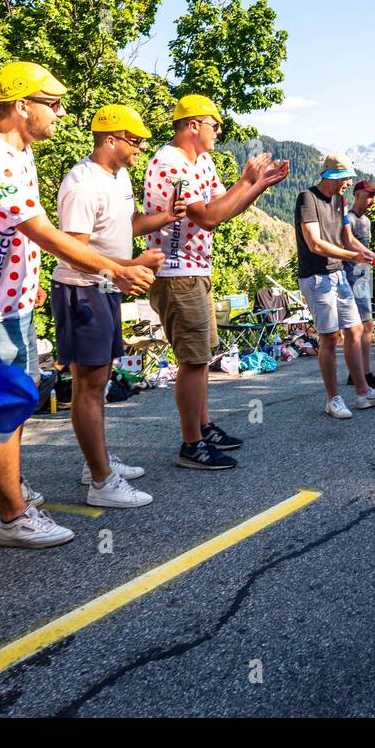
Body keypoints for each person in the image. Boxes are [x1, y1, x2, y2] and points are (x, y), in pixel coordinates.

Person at [0, 63, 155, 548]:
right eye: (52, 104)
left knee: (18, 398)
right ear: (21, 106)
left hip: (11, 296)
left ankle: (6, 490)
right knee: (2, 407)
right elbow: (45, 232)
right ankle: (13, 516)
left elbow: (18, 231)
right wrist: (117, 269)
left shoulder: (18, 152)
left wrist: (29, 278)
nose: (61, 114)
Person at [143, 94, 289, 469]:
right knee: (192, 360)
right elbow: (207, 218)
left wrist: (257, 185)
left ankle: (204, 426)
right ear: (193, 125)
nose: (219, 131)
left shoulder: (203, 161)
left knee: (202, 357)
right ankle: (191, 445)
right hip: (176, 273)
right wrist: (247, 180)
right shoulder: (169, 163)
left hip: (197, 270)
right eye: (215, 124)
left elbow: (225, 208)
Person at [51, 104, 180, 508]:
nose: (141, 147)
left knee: (99, 382)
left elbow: (128, 225)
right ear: (111, 139)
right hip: (82, 290)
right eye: (135, 139)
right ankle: (101, 482)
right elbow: (74, 252)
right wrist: (132, 266)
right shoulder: (82, 183)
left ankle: (98, 462)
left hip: (104, 288)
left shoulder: (118, 176)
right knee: (88, 386)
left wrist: (165, 218)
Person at [295, 156, 375, 418]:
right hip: (316, 277)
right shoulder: (307, 198)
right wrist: (352, 257)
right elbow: (314, 243)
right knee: (329, 337)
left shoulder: (339, 201)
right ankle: (333, 399)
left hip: (337, 274)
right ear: (331, 175)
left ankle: (363, 393)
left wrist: (373, 258)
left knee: (356, 329)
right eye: (346, 178)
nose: (349, 183)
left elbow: (346, 239)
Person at [342, 179, 375, 392]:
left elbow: (364, 250)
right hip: (351, 278)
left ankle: (358, 374)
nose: (372, 200)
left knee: (362, 327)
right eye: (368, 195)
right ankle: (364, 375)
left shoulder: (367, 221)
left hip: (362, 277)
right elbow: (348, 247)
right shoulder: (349, 219)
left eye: (374, 196)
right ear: (357, 194)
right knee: (363, 326)